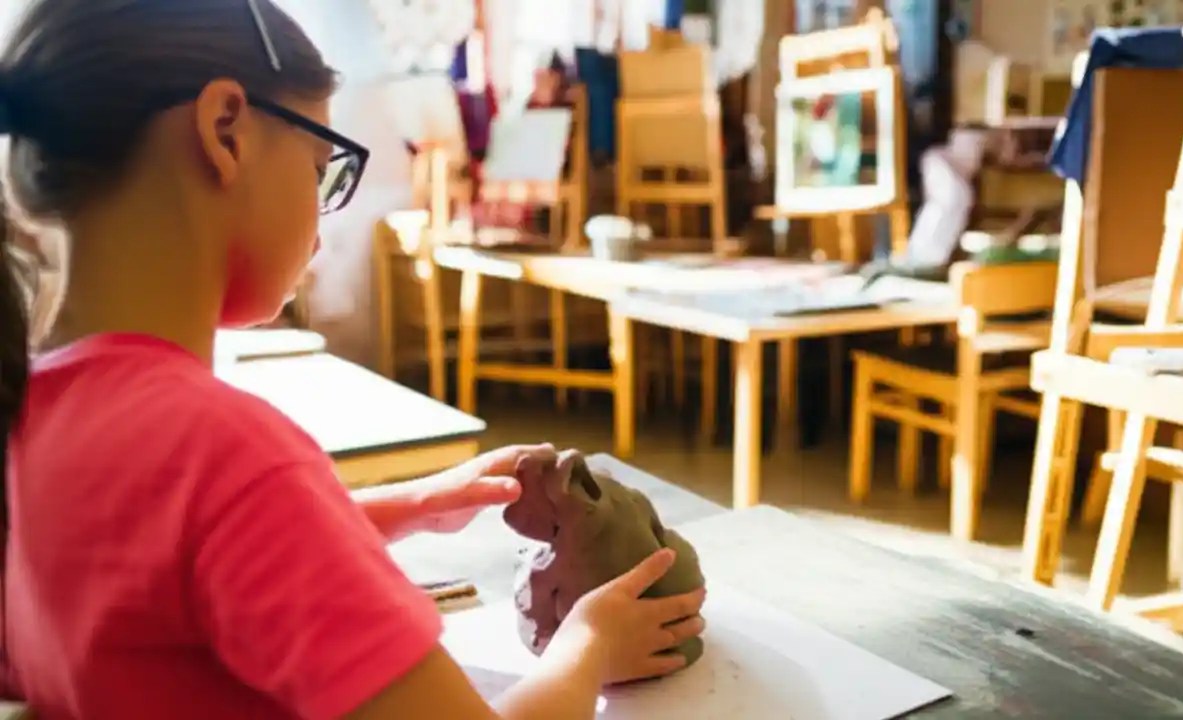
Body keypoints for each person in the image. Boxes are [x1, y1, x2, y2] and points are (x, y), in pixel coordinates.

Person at [0, 1, 705, 719]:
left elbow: (169, 571)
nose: (322, 209)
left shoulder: (26, 412)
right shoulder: (224, 453)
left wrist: (410, 506)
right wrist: (588, 646)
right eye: (320, 169)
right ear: (225, 133)